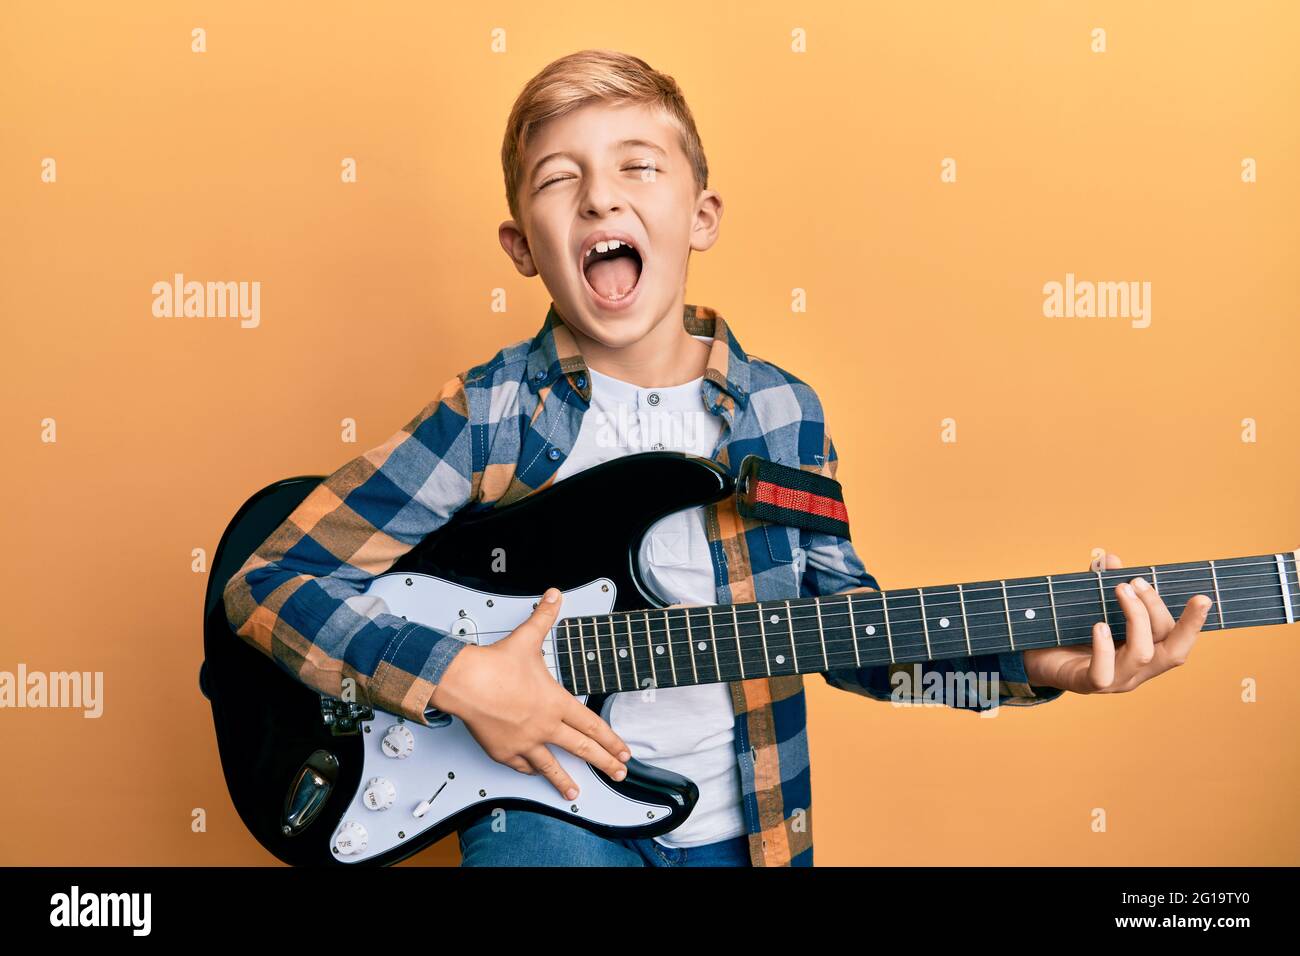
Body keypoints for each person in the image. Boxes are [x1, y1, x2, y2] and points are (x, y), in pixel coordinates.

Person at [222, 49, 1212, 868]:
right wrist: (460, 678)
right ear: (522, 244)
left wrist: (1032, 667)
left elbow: (855, 649)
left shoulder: (782, 415)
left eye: (637, 167)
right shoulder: (491, 413)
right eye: (560, 179)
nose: (599, 198)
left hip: (751, 827)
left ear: (701, 216)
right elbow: (266, 583)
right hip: (544, 815)